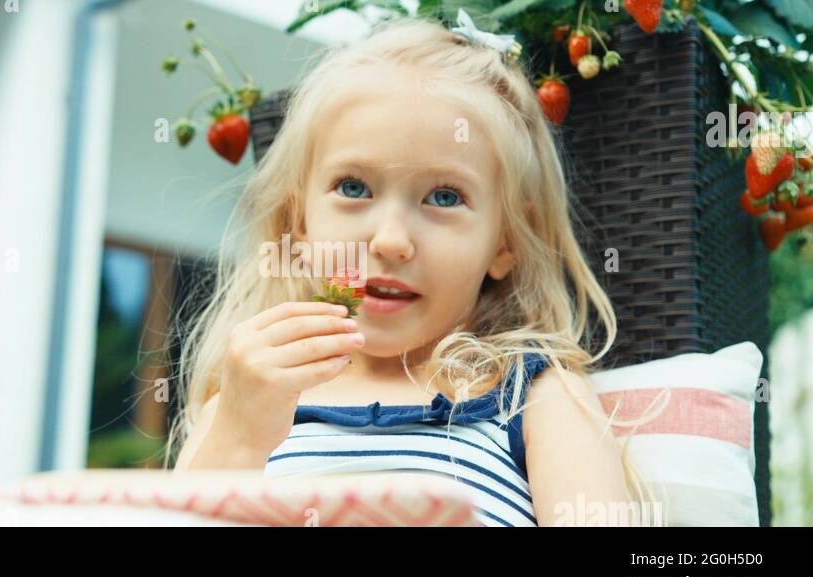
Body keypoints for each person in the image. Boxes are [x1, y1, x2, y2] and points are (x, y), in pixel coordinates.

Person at [169, 16, 656, 527]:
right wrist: (239, 435)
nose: (391, 241)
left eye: (444, 197)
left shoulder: (532, 397)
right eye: (354, 188)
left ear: (505, 240)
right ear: (299, 223)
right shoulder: (244, 400)